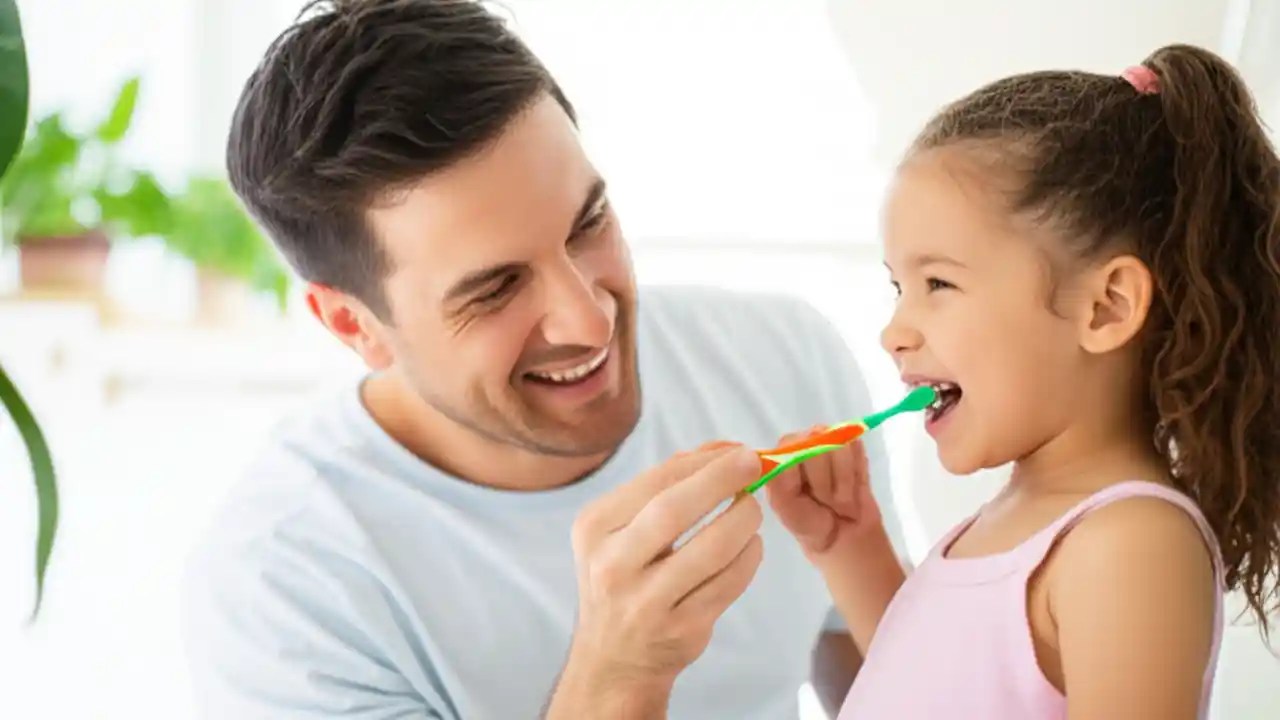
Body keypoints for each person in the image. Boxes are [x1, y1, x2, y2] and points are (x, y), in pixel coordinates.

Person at [179, 1, 902, 718]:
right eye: (495, 289)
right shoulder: (287, 587)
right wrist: (618, 674)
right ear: (352, 323)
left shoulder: (779, 359)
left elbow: (899, 694)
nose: (590, 319)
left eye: (589, 222)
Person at [761, 44, 1280, 719]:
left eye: (938, 283)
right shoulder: (1015, 521)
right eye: (898, 286)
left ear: (1107, 308)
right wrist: (849, 549)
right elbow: (934, 691)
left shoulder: (1127, 544)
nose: (895, 329)